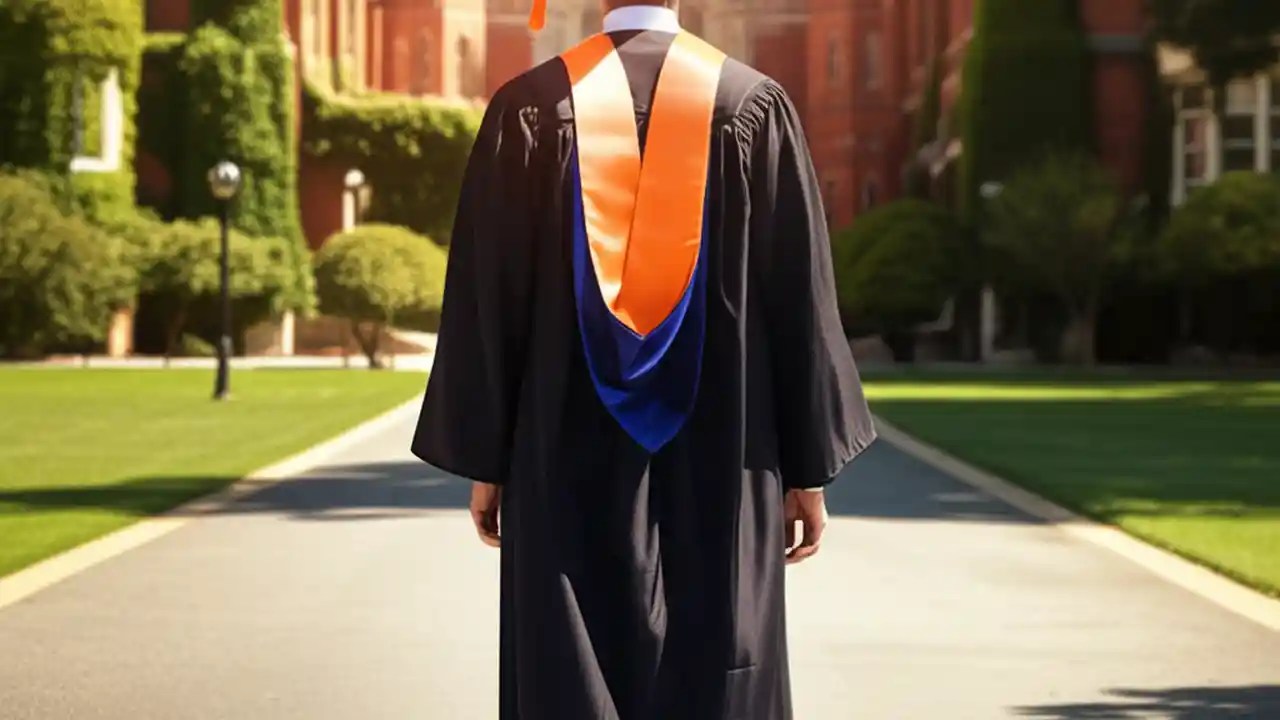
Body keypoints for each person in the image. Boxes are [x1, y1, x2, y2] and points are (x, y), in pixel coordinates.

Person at [411, 1, 876, 717]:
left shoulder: (530, 108)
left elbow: (486, 299)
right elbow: (799, 301)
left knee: (567, 660)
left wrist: (488, 459)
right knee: (720, 655)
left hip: (560, 454)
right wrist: (808, 470)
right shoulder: (752, 105)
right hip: (727, 452)